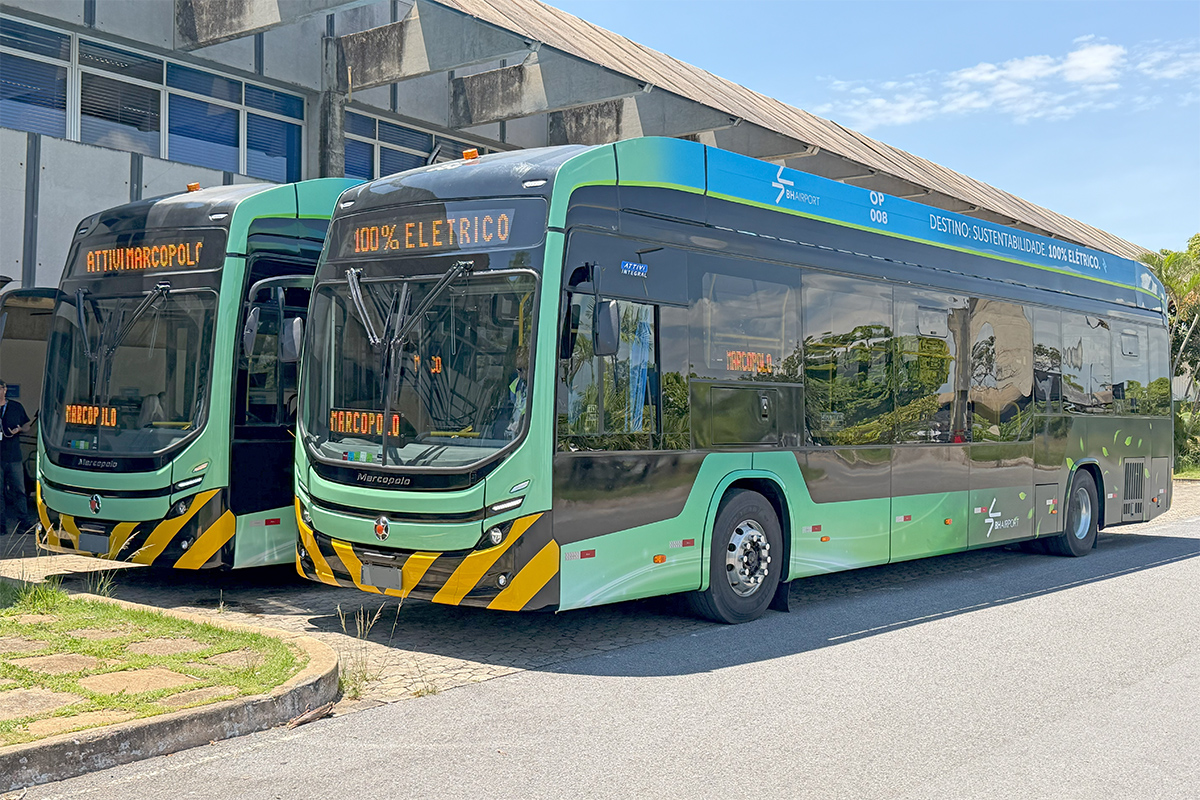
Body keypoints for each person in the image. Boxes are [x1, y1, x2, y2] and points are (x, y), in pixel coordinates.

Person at [0, 379, 35, 535]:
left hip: (14, 457)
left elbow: (28, 425)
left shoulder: (15, 407)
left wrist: (20, 429)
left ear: (5, 389)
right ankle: (1, 525)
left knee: (20, 491)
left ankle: (24, 522)